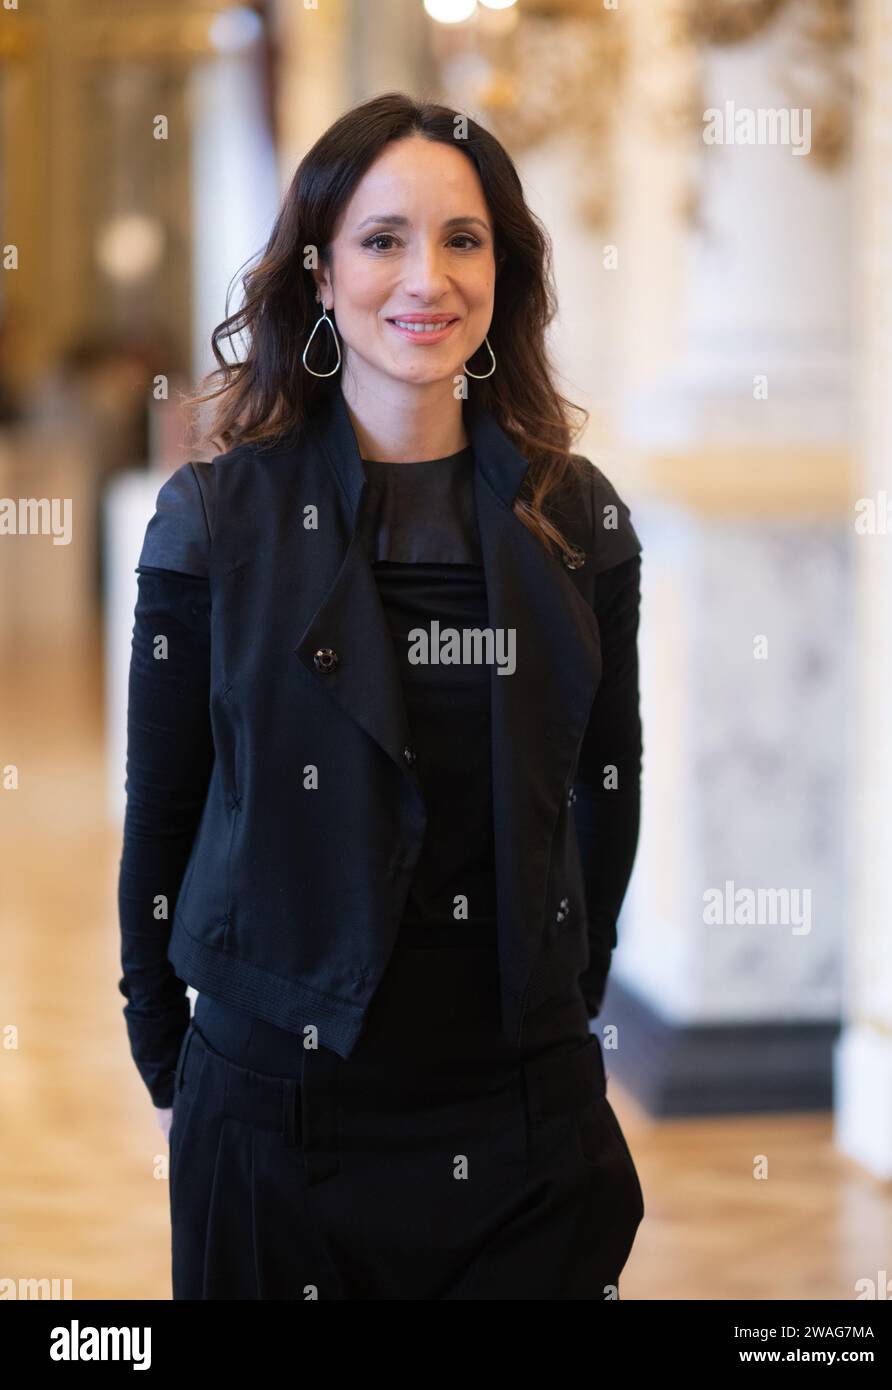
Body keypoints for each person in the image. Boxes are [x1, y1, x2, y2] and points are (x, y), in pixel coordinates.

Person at [118, 91, 645, 1300]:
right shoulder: (213, 521)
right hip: (277, 1116)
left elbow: (604, 789)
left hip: (522, 1117)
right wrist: (169, 1056)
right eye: (383, 238)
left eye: (464, 239)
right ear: (319, 269)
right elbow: (166, 810)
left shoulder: (578, 517)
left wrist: (567, 1010)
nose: (428, 278)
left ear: (504, 269)